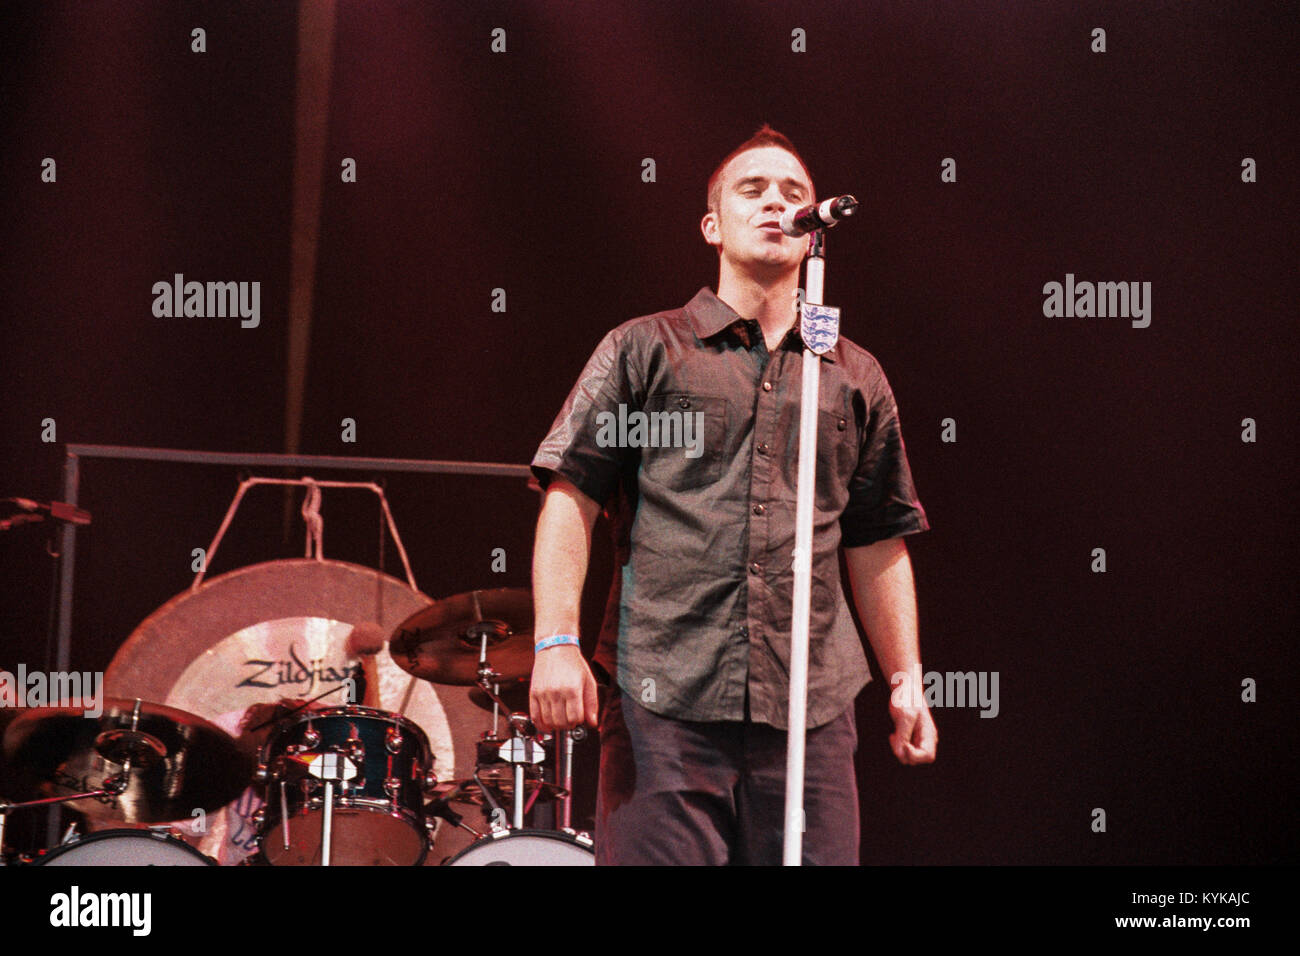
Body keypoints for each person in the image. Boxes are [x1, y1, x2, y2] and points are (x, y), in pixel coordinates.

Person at [528, 124, 937, 865]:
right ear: (713, 225)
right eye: (753, 190)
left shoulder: (852, 375)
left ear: (815, 232)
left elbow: (878, 538)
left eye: (794, 193)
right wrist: (555, 643)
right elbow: (571, 496)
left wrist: (907, 678)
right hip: (667, 703)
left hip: (810, 712)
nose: (776, 202)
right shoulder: (644, 349)